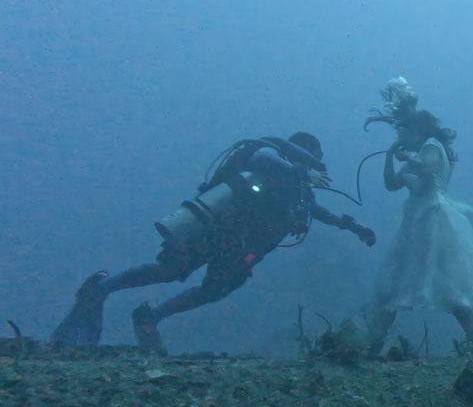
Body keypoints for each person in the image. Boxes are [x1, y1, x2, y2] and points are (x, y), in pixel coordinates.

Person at [50, 132, 377, 354]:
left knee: (203, 286)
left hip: (234, 246)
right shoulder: (276, 160)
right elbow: (262, 157)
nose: (312, 164)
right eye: (311, 158)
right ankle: (110, 293)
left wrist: (353, 226)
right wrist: (298, 170)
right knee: (173, 272)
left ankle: (144, 312)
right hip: (221, 233)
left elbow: (317, 211)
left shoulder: (297, 185)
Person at [365, 77, 473, 352]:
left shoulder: (431, 145)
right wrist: (390, 156)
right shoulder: (415, 155)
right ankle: (374, 342)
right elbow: (391, 184)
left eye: (403, 132)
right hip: (415, 223)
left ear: (416, 130)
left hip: (435, 220)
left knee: (448, 285)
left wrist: (406, 157)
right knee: (393, 283)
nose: (399, 136)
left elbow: (429, 166)